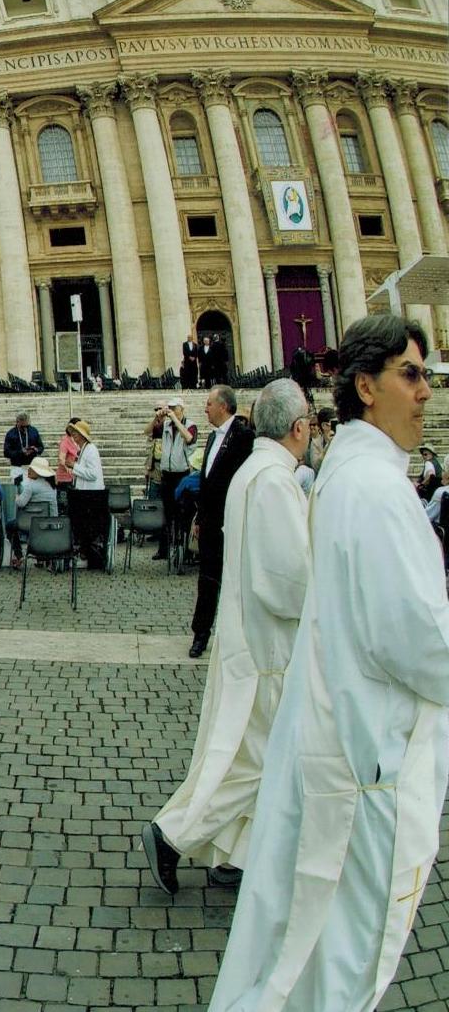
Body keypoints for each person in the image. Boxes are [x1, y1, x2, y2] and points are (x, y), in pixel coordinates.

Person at [209, 316, 448, 1010]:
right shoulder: (373, 488)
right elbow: (417, 641)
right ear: (365, 386)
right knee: (344, 962)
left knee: (310, 952)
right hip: (371, 756)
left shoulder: (347, 471)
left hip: (339, 730)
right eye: (411, 374)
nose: (426, 391)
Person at [143, 379, 312, 897]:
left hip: (246, 637)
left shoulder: (251, 473)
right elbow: (288, 580)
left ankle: (234, 857)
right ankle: (173, 835)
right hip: (270, 649)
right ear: (299, 428)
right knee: (262, 761)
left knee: (247, 754)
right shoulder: (275, 481)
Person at [189, 386, 255, 659]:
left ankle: (239, 636)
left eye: (209, 403)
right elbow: (206, 482)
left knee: (235, 580)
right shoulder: (211, 437)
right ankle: (200, 633)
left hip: (233, 520)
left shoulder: (243, 436)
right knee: (207, 579)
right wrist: (199, 517)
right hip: (210, 521)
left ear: (223, 406)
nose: (205, 408)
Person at [148, 399, 196, 560]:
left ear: (182, 409)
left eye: (174, 408)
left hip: (182, 474)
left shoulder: (190, 425)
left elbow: (189, 438)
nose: (171, 411)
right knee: (166, 513)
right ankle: (164, 549)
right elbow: (147, 432)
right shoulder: (166, 425)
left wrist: (175, 420)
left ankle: (186, 549)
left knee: (184, 513)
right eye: (170, 408)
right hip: (166, 475)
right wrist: (157, 418)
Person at [65, 420, 107, 569]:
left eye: (76, 433)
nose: (73, 436)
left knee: (86, 528)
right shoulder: (83, 449)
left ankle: (87, 556)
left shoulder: (91, 450)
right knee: (82, 527)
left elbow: (93, 474)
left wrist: (74, 466)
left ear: (82, 435)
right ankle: (84, 554)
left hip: (91, 496)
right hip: (84, 494)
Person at [10, 456, 58, 568]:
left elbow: (21, 503)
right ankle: (40, 558)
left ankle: (18, 555)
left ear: (38, 472)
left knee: (10, 526)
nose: (29, 470)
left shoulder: (31, 486)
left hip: (27, 523)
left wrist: (16, 497)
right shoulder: (52, 487)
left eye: (31, 469)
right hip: (46, 522)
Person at [2, 412, 43, 484]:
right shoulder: (11, 434)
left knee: (32, 489)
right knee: (18, 489)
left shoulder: (33, 431)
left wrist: (35, 450)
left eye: (27, 426)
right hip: (17, 468)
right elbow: (6, 452)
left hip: (31, 467)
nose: (25, 429)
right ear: (17, 423)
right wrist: (20, 452)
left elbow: (41, 447)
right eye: (22, 426)